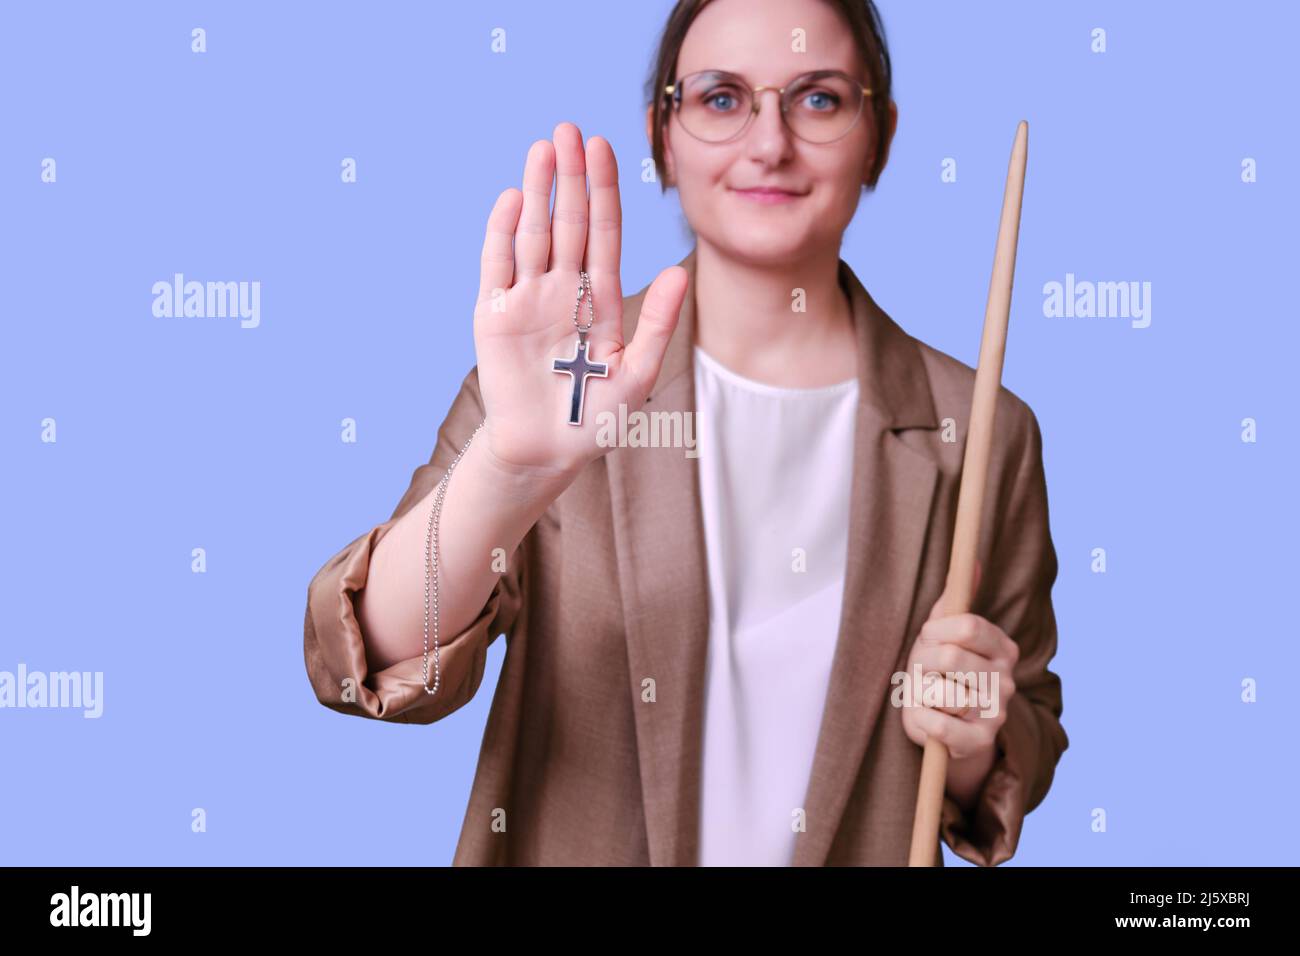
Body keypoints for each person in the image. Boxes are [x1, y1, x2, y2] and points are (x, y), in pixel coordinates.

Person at [303, 0, 1068, 866]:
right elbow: (369, 661)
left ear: (879, 135)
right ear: (662, 135)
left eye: (817, 99)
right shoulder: (559, 381)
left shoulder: (986, 431)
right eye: (720, 98)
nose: (768, 143)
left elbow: (1021, 743)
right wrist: (508, 468)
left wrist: (969, 733)